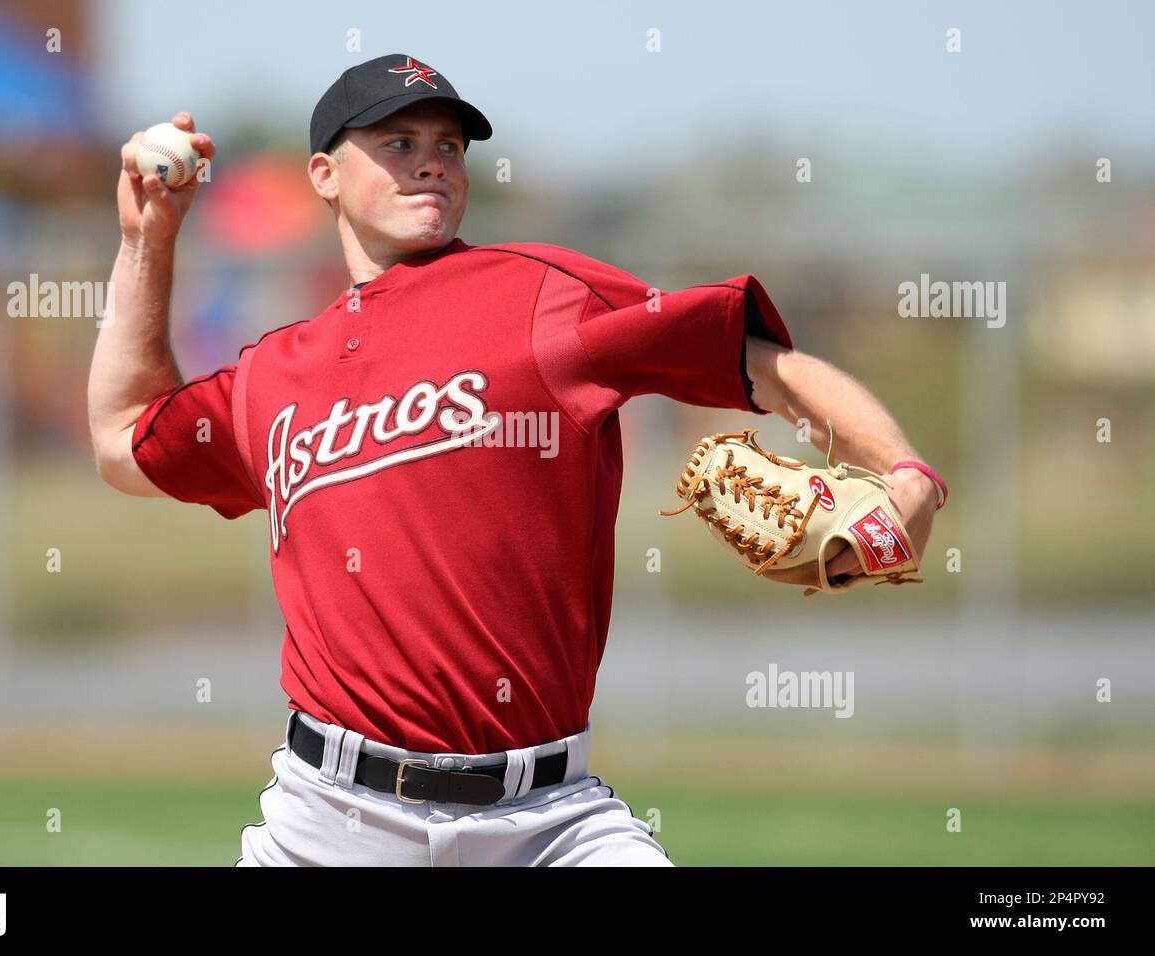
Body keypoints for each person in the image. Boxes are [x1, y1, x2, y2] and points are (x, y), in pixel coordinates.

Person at [88, 53, 944, 866]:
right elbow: (124, 438)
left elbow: (767, 367)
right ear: (324, 176)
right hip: (331, 822)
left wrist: (909, 479)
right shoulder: (274, 373)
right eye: (398, 144)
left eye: (449, 146)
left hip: (550, 823)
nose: (432, 165)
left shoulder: (543, 291)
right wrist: (149, 238)